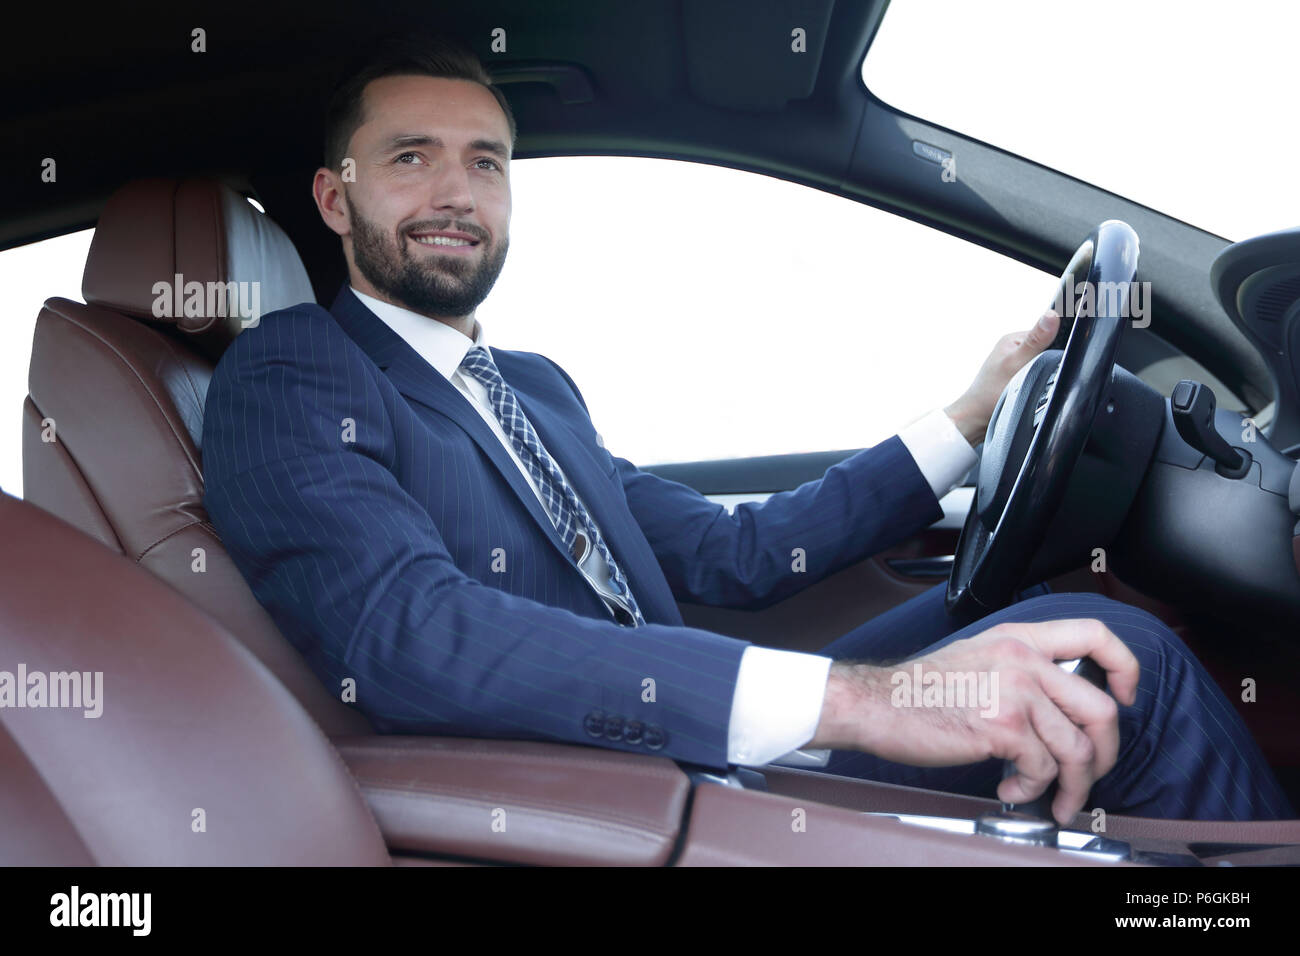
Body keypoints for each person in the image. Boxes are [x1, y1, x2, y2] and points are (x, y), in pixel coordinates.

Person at [202, 37, 1292, 823]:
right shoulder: (292, 370)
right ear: (335, 200)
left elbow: (744, 551)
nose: (456, 191)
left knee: (1071, 623)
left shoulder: (531, 387)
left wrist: (972, 412)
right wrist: (865, 702)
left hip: (690, 734)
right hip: (610, 792)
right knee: (1121, 663)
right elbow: (410, 635)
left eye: (484, 160)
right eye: (409, 157)